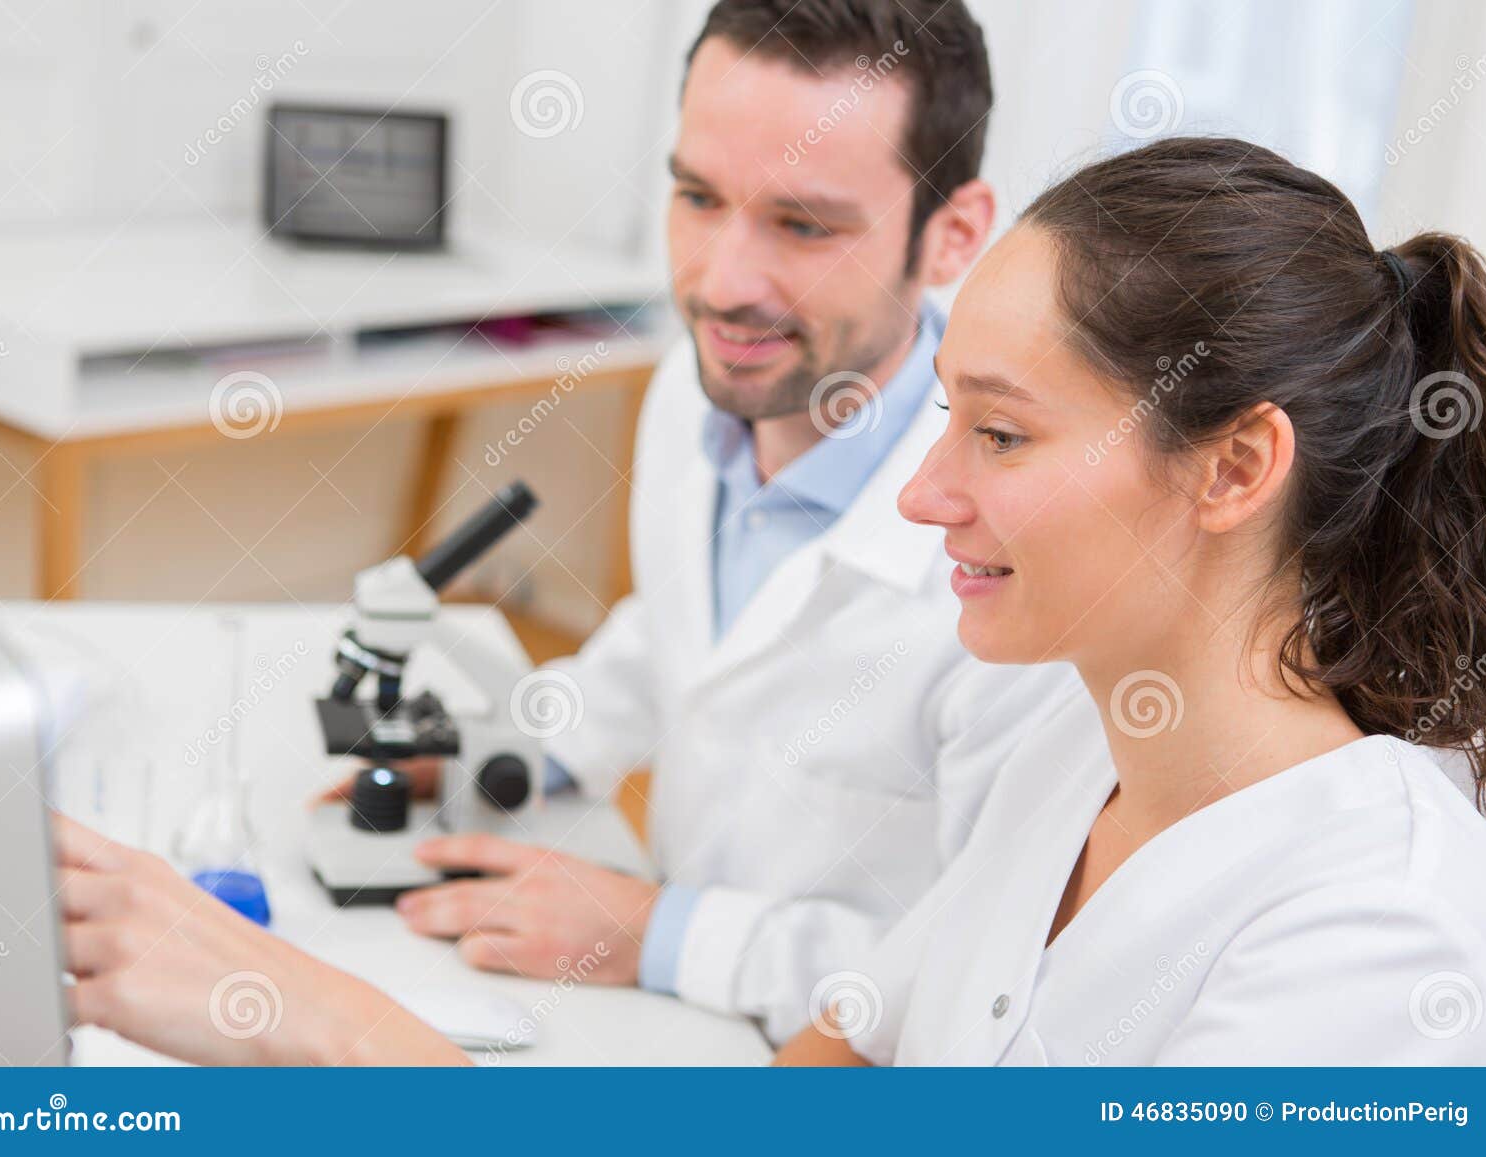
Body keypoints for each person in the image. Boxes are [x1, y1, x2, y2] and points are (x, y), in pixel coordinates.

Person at [58, 136, 1486, 1065]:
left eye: (1000, 434)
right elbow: (829, 1070)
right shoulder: (1084, 757)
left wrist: (324, 1030)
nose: (924, 492)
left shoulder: (1370, 942)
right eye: (940, 422)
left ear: (1235, 462)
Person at [319, 0, 1080, 1046]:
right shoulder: (702, 385)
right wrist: (510, 746)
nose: (721, 285)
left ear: (952, 234)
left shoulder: (1019, 561)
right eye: (696, 196)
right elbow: (674, 633)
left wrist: (659, 930)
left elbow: (989, 972)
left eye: (803, 224)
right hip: (675, 1017)